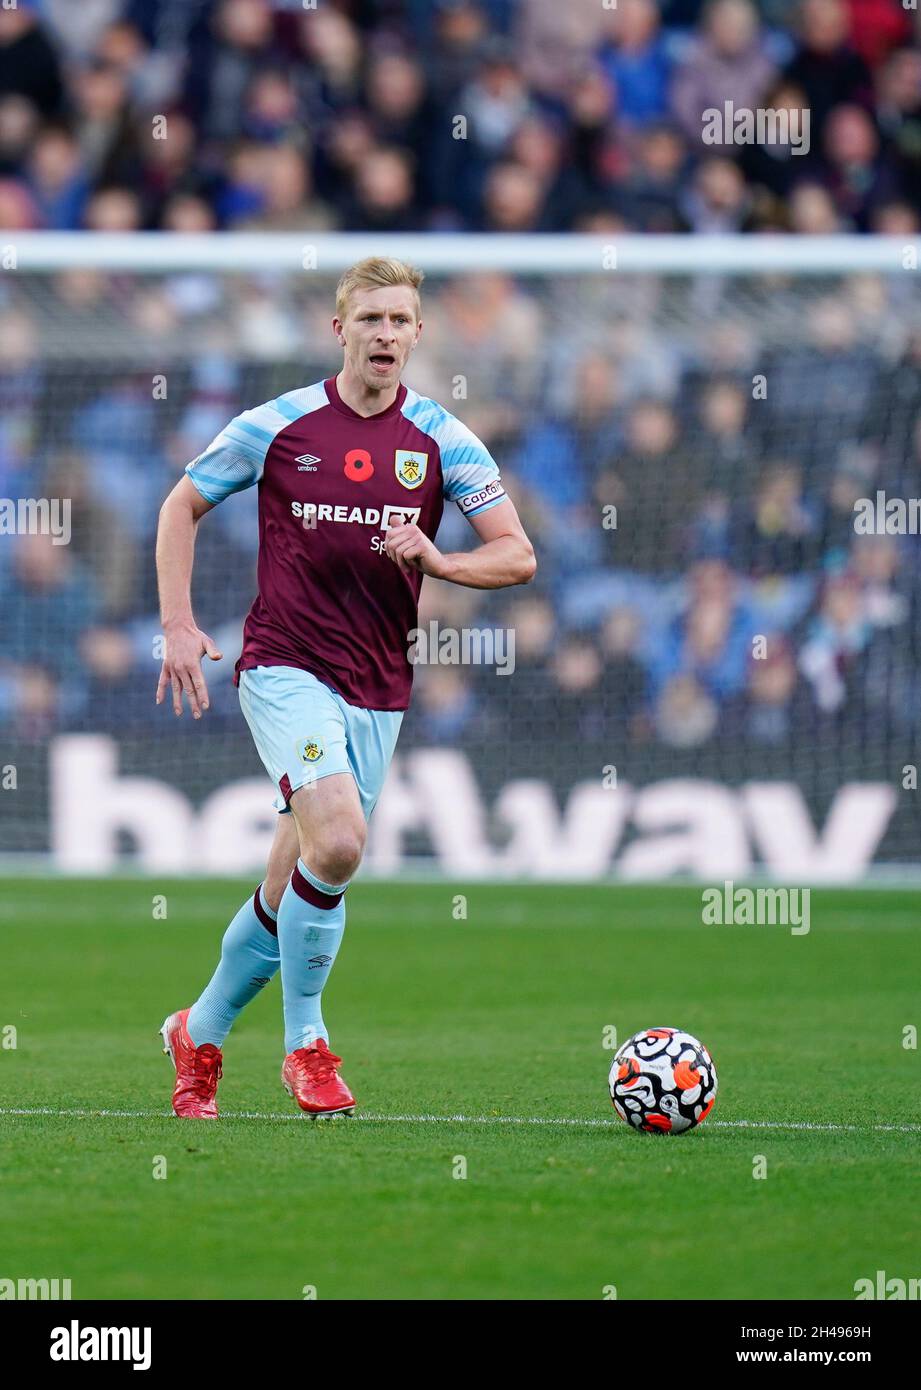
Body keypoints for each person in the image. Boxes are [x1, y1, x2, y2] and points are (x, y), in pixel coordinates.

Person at [154, 256, 536, 1118]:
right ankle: (307, 1047)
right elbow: (180, 505)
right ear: (340, 331)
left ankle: (199, 1032)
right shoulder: (278, 425)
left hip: (378, 687)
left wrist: (440, 559)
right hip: (284, 666)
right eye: (371, 321)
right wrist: (177, 624)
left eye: (401, 321)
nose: (386, 335)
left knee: (296, 872)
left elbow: (517, 554)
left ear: (418, 334)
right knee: (338, 844)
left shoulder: (441, 438)